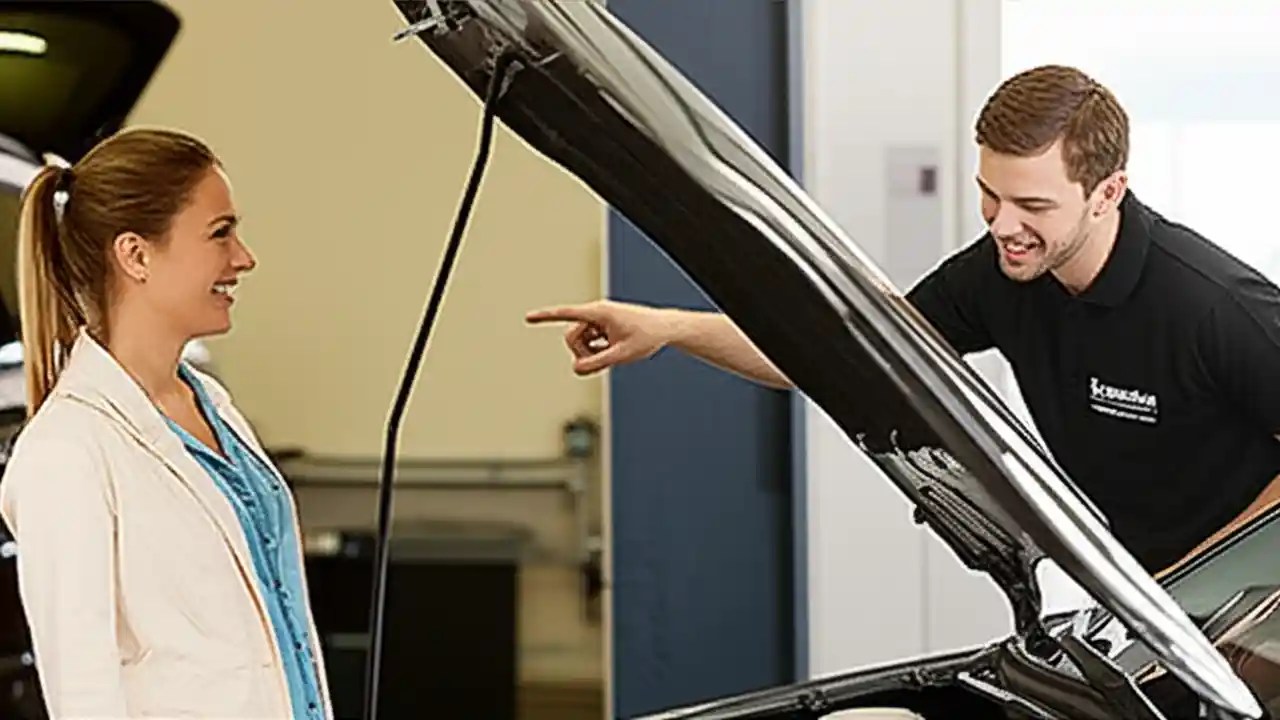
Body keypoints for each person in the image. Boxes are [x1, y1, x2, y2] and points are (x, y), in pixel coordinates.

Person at [525, 64, 1280, 578]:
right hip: (1156, 601)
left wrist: (1204, 587)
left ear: (1108, 192)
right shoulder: (1001, 276)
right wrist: (670, 328)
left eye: (1034, 206)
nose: (1003, 225)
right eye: (991, 194)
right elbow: (837, 352)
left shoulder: (1212, 304)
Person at [0, 127, 332, 718]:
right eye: (220, 233)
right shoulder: (66, 451)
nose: (244, 257)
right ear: (135, 255)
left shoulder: (215, 408)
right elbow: (82, 694)